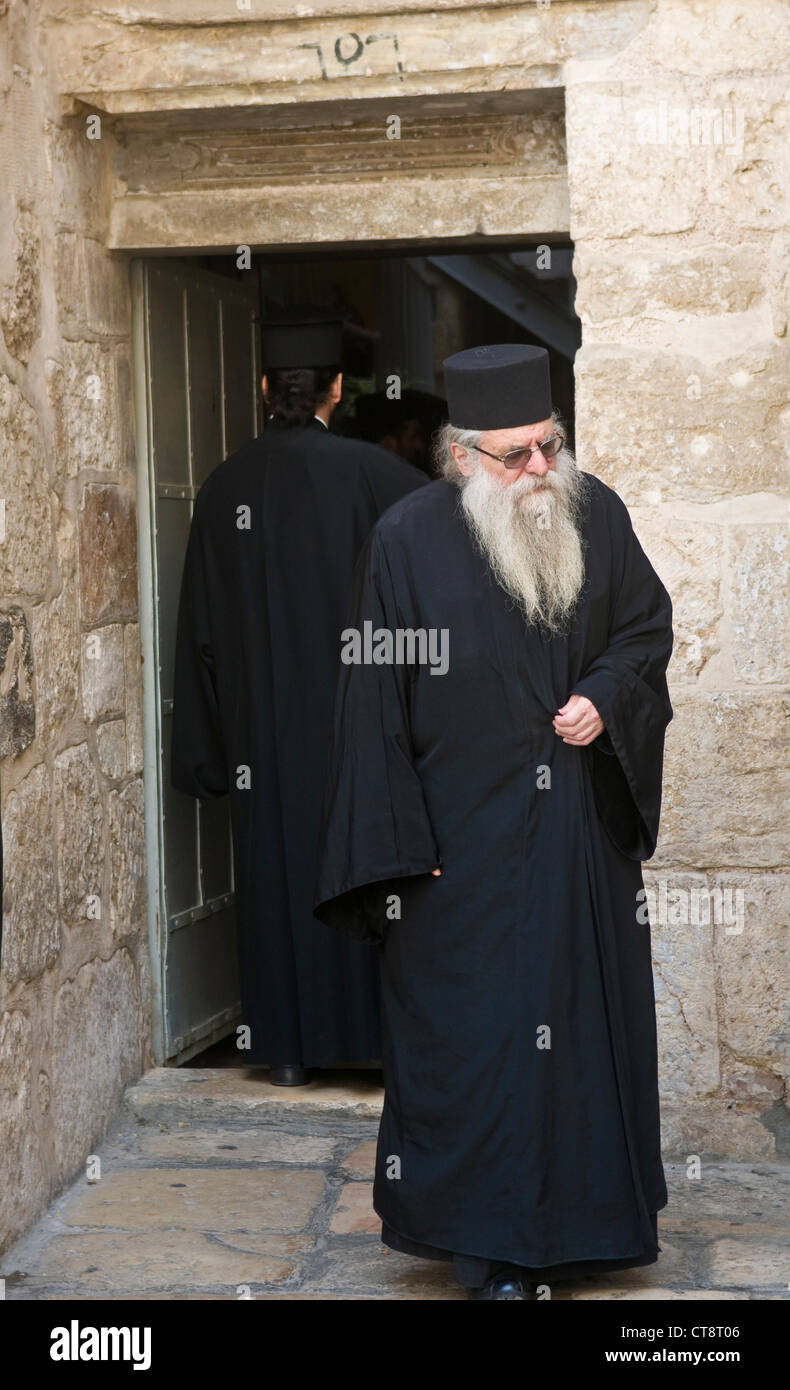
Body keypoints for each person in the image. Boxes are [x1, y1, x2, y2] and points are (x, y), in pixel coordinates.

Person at [313, 343, 674, 1296]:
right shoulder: (406, 539)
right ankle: (491, 1253)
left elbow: (645, 630)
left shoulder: (601, 517)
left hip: (578, 852)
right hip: (457, 859)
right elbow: (372, 706)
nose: (541, 470)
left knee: (581, 1044)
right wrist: (399, 857)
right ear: (463, 456)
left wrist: (605, 694)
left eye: (550, 445)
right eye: (516, 454)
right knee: (478, 1053)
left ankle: (592, 1233)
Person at [170, 307, 428, 1085]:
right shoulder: (380, 479)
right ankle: (373, 1046)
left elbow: (201, 633)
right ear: (338, 390)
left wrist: (207, 751)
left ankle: (285, 1048)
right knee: (360, 869)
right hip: (361, 725)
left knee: (277, 873)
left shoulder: (222, 490)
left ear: (260, 389)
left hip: (262, 740)